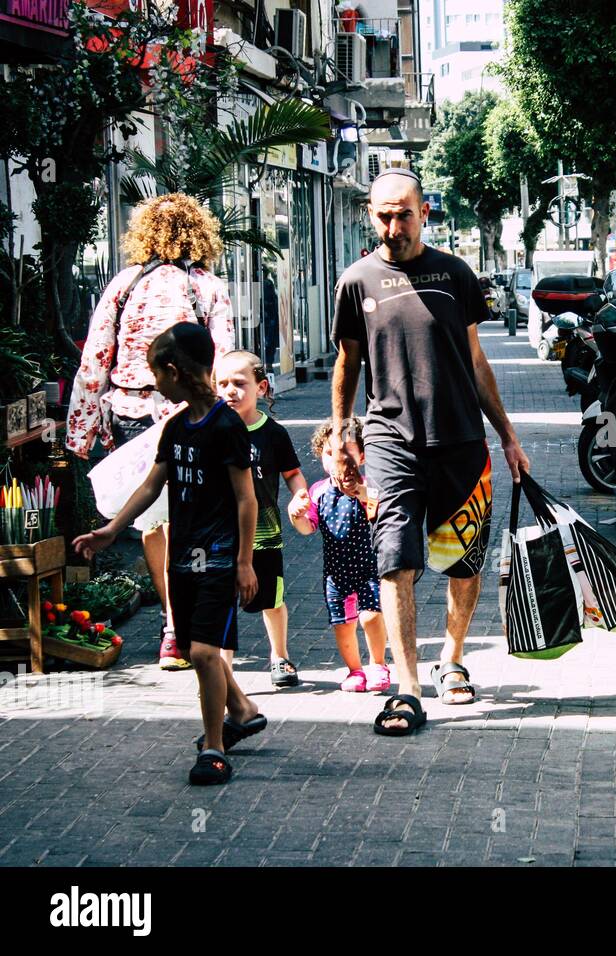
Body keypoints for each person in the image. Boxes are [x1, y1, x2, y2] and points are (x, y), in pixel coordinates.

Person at [330, 167, 530, 736]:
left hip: (463, 438)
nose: (394, 225)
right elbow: (347, 362)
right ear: (371, 215)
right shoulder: (356, 281)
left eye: (404, 213)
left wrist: (508, 436)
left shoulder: (455, 274)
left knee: (461, 560)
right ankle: (407, 685)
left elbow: (475, 360)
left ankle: (453, 657)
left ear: (424, 212)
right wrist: (344, 432)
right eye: (383, 214)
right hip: (391, 441)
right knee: (396, 557)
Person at [73, 323, 260, 786]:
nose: (152, 382)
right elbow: (153, 484)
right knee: (200, 644)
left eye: (155, 373)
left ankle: (214, 747)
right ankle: (241, 708)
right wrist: (112, 530)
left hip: (218, 557)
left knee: (200, 651)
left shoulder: (226, 426)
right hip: (182, 559)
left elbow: (245, 498)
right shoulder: (175, 427)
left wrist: (243, 560)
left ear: (174, 372)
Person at [67, 193, 237, 672]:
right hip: (188, 414)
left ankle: (171, 626)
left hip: (131, 408)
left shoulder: (125, 282)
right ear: (199, 233)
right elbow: (221, 355)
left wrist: (81, 429)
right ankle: (189, 620)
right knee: (189, 511)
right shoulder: (206, 285)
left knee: (151, 518)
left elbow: (95, 355)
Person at [214, 350, 308, 686]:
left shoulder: (273, 434)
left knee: (272, 600)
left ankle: (280, 656)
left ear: (262, 387)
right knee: (222, 603)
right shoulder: (211, 432)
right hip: (221, 537)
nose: (230, 391)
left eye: (239, 383)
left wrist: (299, 495)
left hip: (265, 535)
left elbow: (293, 474)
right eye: (222, 384)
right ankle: (223, 667)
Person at [287, 420, 391, 692]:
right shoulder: (319, 491)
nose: (337, 460)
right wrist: (295, 514)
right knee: (343, 625)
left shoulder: (369, 485)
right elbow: (308, 528)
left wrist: (359, 491)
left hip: (370, 568)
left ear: (362, 456)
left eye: (345, 452)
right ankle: (355, 671)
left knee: (370, 616)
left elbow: (377, 511)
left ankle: (378, 664)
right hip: (336, 572)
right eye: (329, 453)